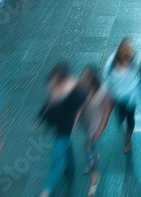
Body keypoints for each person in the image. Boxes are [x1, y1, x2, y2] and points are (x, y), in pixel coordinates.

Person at [34, 64, 84, 197]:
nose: (51, 87)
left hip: (64, 127)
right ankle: (71, 166)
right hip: (58, 123)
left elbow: (79, 107)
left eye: (55, 82)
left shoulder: (74, 92)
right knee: (66, 146)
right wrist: (40, 118)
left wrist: (75, 121)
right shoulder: (54, 86)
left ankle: (47, 190)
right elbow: (49, 103)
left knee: (57, 158)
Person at [77, 66, 112, 197]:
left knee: (88, 149)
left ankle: (94, 179)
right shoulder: (80, 88)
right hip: (85, 124)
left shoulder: (102, 91)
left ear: (92, 80)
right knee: (88, 145)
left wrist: (100, 129)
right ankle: (94, 159)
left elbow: (107, 109)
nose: (81, 79)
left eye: (85, 78)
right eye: (82, 76)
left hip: (95, 127)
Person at [104, 39, 141, 154]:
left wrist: (136, 93)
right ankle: (121, 121)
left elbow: (139, 78)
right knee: (120, 116)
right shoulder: (112, 62)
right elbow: (106, 78)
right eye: (125, 51)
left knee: (130, 119)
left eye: (129, 51)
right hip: (118, 99)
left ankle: (128, 141)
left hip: (130, 100)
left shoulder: (135, 61)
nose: (128, 53)